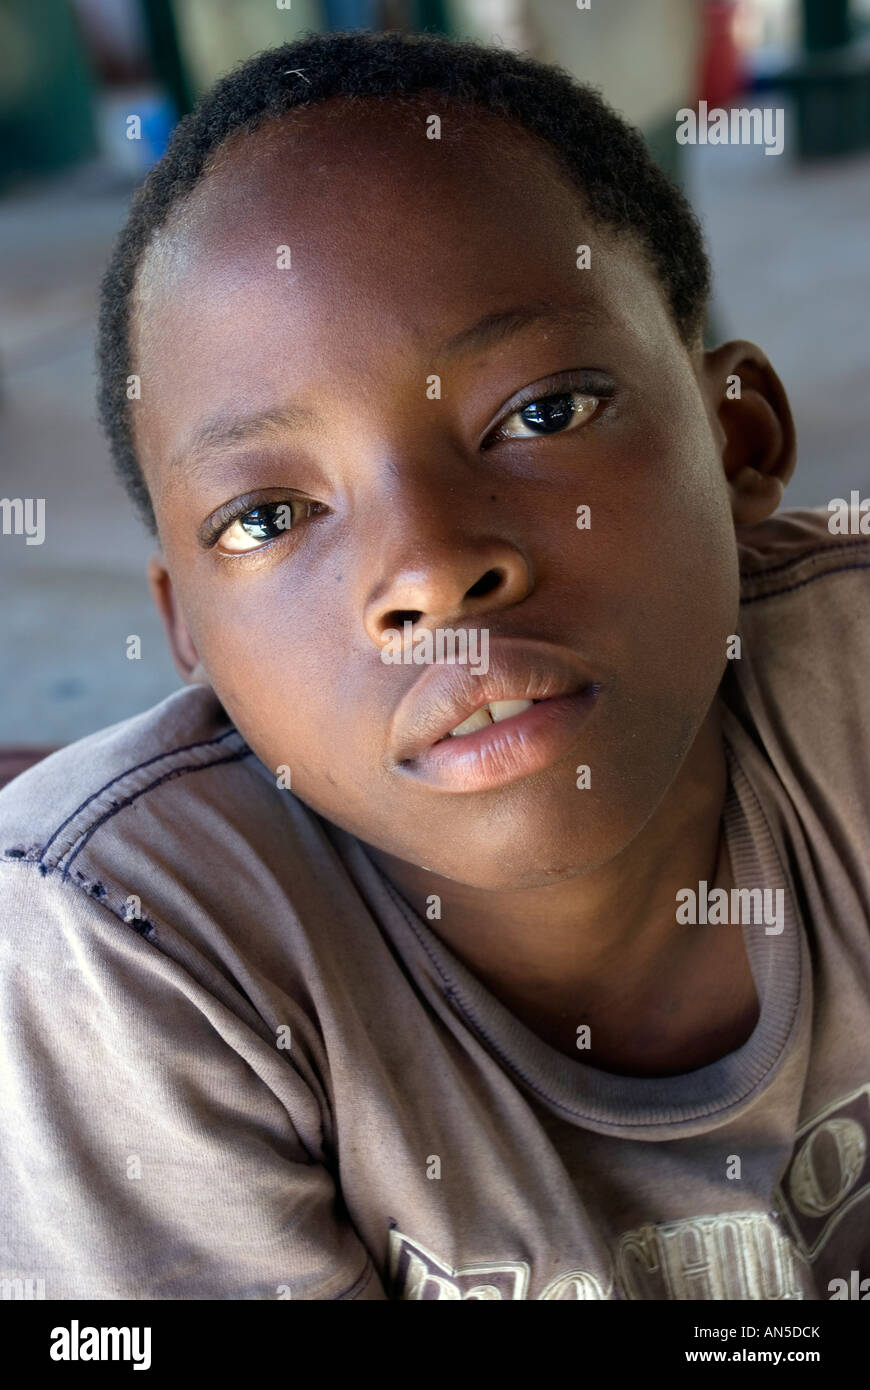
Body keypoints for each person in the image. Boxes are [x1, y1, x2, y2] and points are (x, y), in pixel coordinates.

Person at [1, 29, 867, 1301]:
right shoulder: (128, 954)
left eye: (541, 412)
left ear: (739, 438)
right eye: (267, 517)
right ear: (190, 632)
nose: (428, 574)